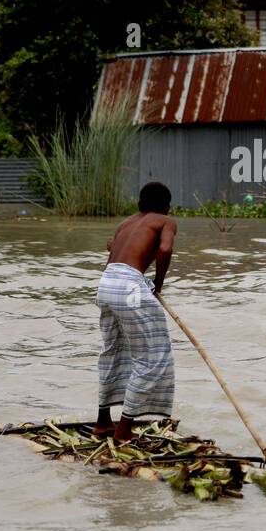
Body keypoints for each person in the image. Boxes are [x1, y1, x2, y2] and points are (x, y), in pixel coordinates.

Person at [94, 182, 178, 442]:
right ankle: (123, 430)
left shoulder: (126, 222)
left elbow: (112, 245)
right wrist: (159, 283)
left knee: (113, 350)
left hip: (106, 283)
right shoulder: (165, 221)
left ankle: (103, 422)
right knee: (153, 356)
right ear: (166, 205)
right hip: (129, 285)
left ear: (139, 203)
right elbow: (165, 249)